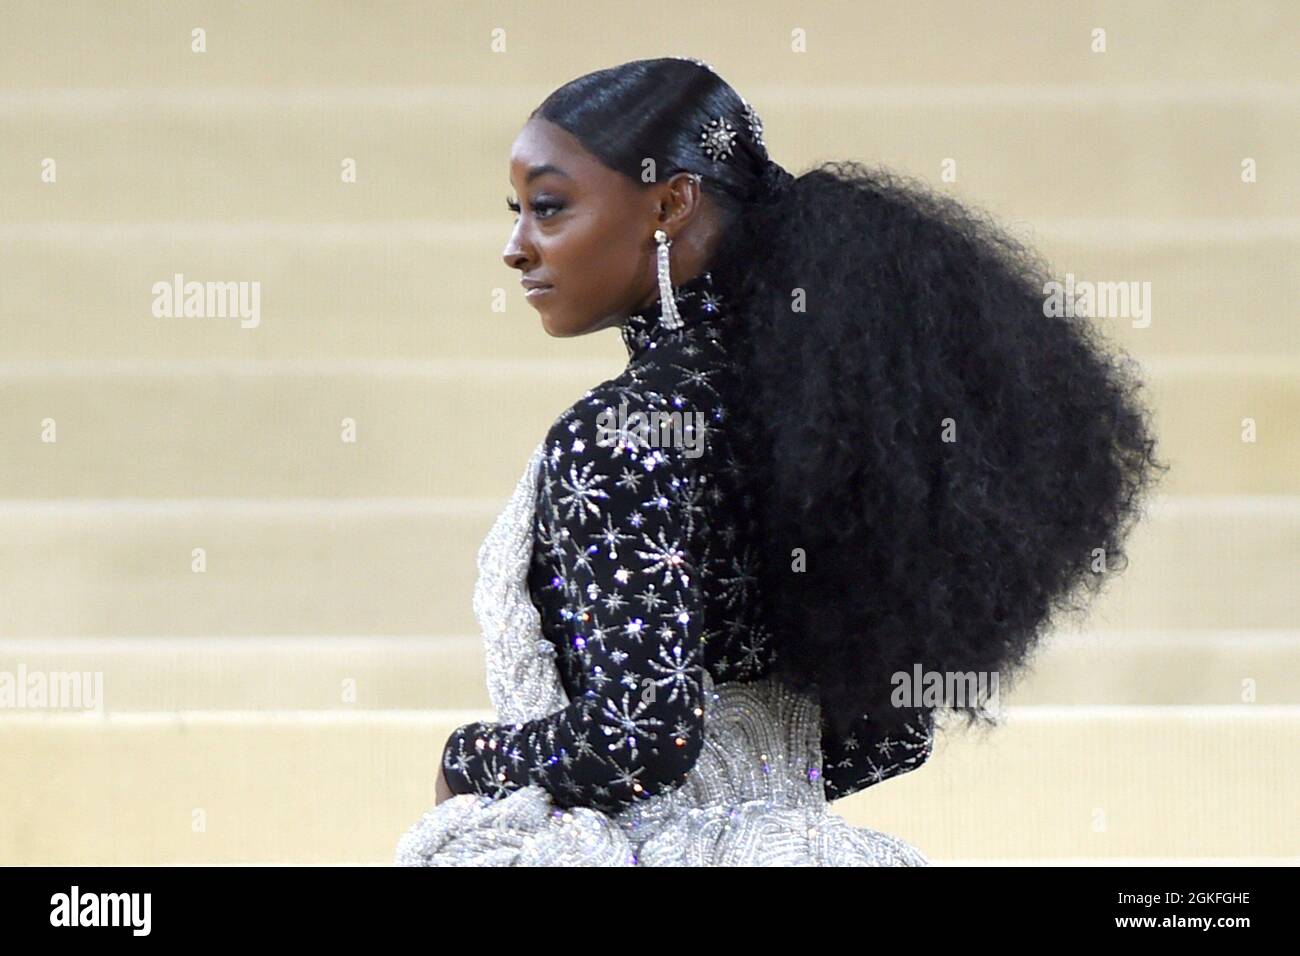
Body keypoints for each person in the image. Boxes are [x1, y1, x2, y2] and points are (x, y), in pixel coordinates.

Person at [395, 57, 1166, 866]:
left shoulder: (620, 434)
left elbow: (638, 737)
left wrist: (469, 757)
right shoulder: (831, 412)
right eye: (516, 212)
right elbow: (888, 736)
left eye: (547, 209)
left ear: (668, 204)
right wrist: (759, 808)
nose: (515, 249)